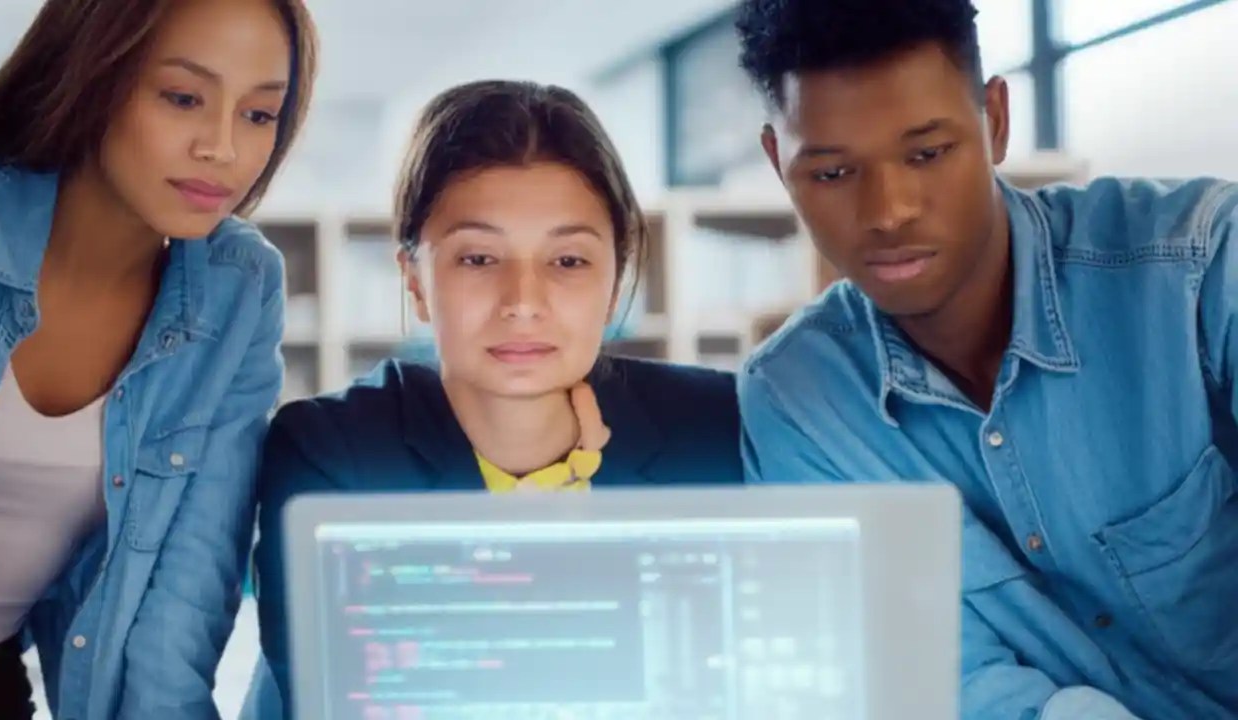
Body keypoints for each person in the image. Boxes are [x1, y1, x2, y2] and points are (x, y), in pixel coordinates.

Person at [734, 0, 1238, 718]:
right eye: (834, 173)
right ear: (777, 161)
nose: (889, 211)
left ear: (995, 119)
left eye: (927, 153)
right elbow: (935, 674)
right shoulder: (800, 404)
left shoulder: (1201, 266)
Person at [242, 79, 744, 718]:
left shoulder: (715, 426)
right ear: (415, 281)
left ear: (616, 279)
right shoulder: (334, 453)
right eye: (478, 258)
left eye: (568, 262)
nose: (523, 302)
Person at [0, 0, 316, 717]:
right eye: (183, 98)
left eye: (258, 114)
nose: (222, 148)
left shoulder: (237, 290)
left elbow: (185, 585)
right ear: (93, 76)